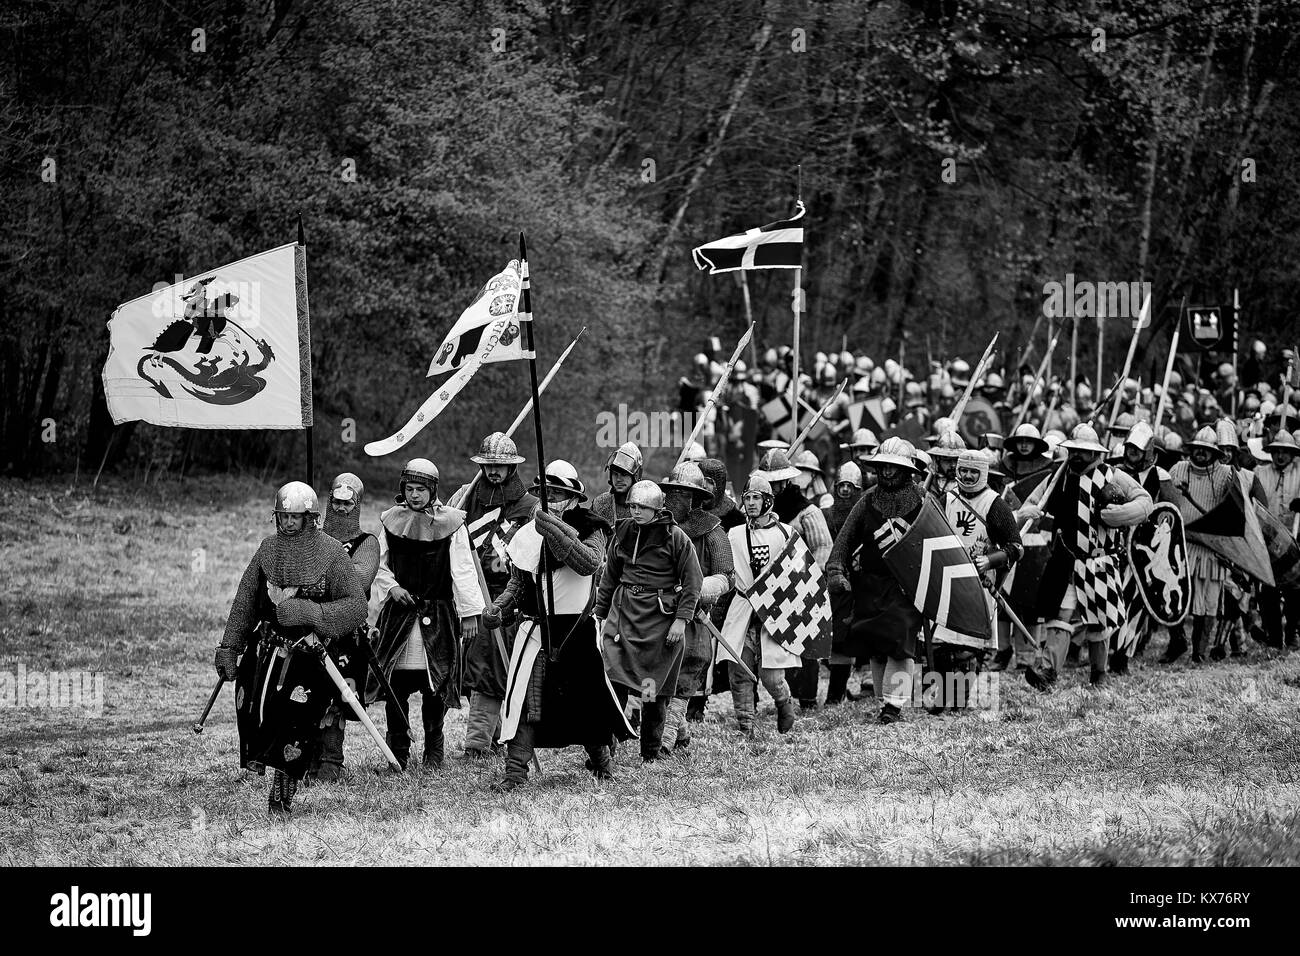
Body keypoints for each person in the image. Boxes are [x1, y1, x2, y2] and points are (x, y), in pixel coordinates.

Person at [215, 481, 368, 815]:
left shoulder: (330, 553)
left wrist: (311, 612)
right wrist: (230, 646)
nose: (288, 522)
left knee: (295, 722)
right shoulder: (268, 548)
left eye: (295, 517)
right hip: (265, 651)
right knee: (257, 712)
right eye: (283, 516)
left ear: (310, 517)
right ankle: (263, 766)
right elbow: (245, 602)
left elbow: (356, 606)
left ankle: (283, 791)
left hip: (307, 654)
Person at [486, 461, 633, 791]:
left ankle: (602, 764)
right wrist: (499, 608)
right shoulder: (526, 534)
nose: (549, 498)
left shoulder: (590, 526)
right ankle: (514, 774)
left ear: (572, 497)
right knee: (524, 702)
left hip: (575, 631)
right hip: (536, 630)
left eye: (557, 493)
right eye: (545, 492)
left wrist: (554, 530)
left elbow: (588, 563)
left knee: (588, 701)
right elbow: (520, 584)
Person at [369, 459, 485, 770]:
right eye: (410, 488)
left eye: (421, 489)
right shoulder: (392, 521)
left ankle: (434, 749)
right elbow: (379, 563)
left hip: (438, 613)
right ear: (402, 489)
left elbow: (462, 568)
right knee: (395, 683)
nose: (415, 495)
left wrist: (471, 612)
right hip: (400, 616)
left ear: (432, 490)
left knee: (436, 686)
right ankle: (398, 749)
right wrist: (391, 587)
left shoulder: (451, 523)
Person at [1020, 424, 1152, 689]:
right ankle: (1048, 671)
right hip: (1067, 559)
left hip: (1098, 561)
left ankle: (1099, 673)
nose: (1077, 455)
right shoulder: (1059, 476)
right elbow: (1030, 504)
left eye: (1083, 451)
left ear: (1095, 453)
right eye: (1074, 450)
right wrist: (1031, 512)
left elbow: (1144, 500)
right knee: (1060, 615)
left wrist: (1120, 514)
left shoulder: (1113, 475)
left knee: (1098, 621)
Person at [594, 480, 703, 762]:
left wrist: (681, 621)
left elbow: (693, 582)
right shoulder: (623, 532)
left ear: (656, 508)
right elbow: (610, 576)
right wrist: (600, 612)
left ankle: (650, 752)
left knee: (651, 690)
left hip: (659, 622)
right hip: (625, 615)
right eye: (632, 505)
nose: (636, 511)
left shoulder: (676, 538)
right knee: (613, 679)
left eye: (642, 507)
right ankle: (606, 748)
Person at [446, 432, 537, 758]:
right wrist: (450, 511)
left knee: (490, 670)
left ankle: (478, 743)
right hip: (472, 594)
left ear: (512, 466)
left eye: (500, 466)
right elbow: (446, 531)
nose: (494, 471)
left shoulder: (529, 506)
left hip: (509, 598)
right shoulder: (467, 497)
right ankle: (495, 735)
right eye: (489, 465)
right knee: (475, 669)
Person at [826, 437, 928, 724]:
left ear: (907, 470)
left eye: (894, 468)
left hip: (906, 583)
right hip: (870, 583)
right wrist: (835, 570)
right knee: (876, 642)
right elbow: (844, 541)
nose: (887, 472)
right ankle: (885, 700)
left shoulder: (922, 500)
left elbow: (939, 542)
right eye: (884, 466)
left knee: (899, 640)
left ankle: (894, 706)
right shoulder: (868, 499)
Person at [927, 450, 1021, 711]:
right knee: (941, 646)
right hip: (946, 581)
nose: (967, 476)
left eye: (973, 472)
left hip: (978, 584)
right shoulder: (945, 499)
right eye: (964, 470)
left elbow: (1016, 547)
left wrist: (990, 560)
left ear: (984, 473)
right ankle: (942, 695)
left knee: (967, 648)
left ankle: (958, 699)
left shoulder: (995, 504)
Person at [307, 473, 380, 782]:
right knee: (307, 693)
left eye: (347, 503)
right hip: (309, 626)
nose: (340, 508)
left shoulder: (367, 543)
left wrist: (318, 576)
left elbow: (357, 581)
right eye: (335, 502)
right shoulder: (310, 538)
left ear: (357, 504)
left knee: (339, 698)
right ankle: (305, 759)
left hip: (345, 630)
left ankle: (331, 762)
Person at [657, 463, 734, 754]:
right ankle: (681, 732)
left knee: (687, 671)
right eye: (673, 491)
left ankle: (664, 743)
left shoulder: (712, 530)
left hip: (696, 617)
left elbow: (728, 576)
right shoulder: (659, 527)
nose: (677, 497)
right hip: (662, 612)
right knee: (661, 675)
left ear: (695, 496)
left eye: (683, 492)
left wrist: (697, 590)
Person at [717, 474, 801, 736]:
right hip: (743, 607)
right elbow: (726, 571)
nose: (751, 503)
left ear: (768, 501)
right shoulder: (734, 534)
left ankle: (783, 702)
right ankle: (746, 725)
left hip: (775, 610)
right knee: (739, 669)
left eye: (756, 498)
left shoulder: (787, 534)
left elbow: (798, 575)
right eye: (748, 498)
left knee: (772, 675)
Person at [759, 449, 833, 711]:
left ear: (786, 481)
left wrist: (807, 580)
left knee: (804, 645)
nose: (772, 486)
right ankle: (783, 697)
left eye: (776, 481)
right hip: (772, 590)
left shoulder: (807, 512)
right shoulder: (760, 511)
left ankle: (808, 698)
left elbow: (822, 548)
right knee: (777, 647)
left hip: (802, 586)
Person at [1254, 429, 1300, 648]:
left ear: (1293, 454)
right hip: (1266, 541)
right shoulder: (1260, 472)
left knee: (1294, 592)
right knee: (1268, 592)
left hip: (1294, 542)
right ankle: (1273, 638)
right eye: (1277, 451)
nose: (1280, 456)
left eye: (1285, 452)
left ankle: (1292, 632)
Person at [823, 462, 863, 705]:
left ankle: (837, 695)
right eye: (842, 486)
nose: (846, 491)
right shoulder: (827, 515)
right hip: (831, 580)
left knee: (847, 640)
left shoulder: (862, 514)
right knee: (834, 639)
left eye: (851, 486)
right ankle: (834, 695)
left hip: (856, 581)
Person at [592, 442, 643, 525]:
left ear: (635, 477)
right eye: (615, 474)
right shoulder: (600, 503)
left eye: (624, 474)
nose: (618, 479)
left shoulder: (644, 505)